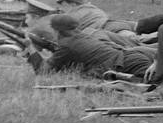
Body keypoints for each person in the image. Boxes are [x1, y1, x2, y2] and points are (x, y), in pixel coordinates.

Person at [26, 12, 155, 78]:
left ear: (56, 30)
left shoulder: (67, 45)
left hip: (128, 65)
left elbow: (43, 71)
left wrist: (29, 47)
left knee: (154, 84)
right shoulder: (82, 36)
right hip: (132, 58)